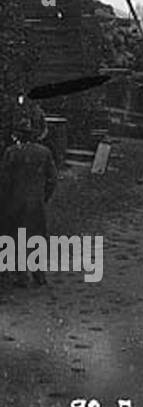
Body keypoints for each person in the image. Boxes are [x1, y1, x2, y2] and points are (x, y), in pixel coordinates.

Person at [0, 115, 58, 287]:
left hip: (14, 203)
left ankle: (21, 276)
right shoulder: (44, 152)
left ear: (18, 135)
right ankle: (39, 275)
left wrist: (4, 200)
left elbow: (4, 181)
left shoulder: (11, 153)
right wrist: (43, 196)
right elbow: (52, 179)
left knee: (15, 237)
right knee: (37, 237)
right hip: (36, 203)